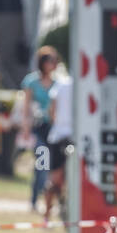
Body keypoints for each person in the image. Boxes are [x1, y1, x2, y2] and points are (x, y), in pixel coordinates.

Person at [20, 46, 58, 213]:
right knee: (43, 163)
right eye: (50, 61)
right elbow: (26, 107)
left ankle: (48, 201)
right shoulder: (31, 82)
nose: (53, 64)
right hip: (37, 127)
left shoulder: (58, 83)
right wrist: (26, 129)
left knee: (51, 167)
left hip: (52, 128)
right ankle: (35, 200)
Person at [42, 68, 72, 220]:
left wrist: (58, 124)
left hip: (57, 135)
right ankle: (60, 211)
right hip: (73, 136)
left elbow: (51, 110)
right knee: (67, 180)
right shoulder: (80, 84)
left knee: (53, 178)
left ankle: (47, 215)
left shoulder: (60, 84)